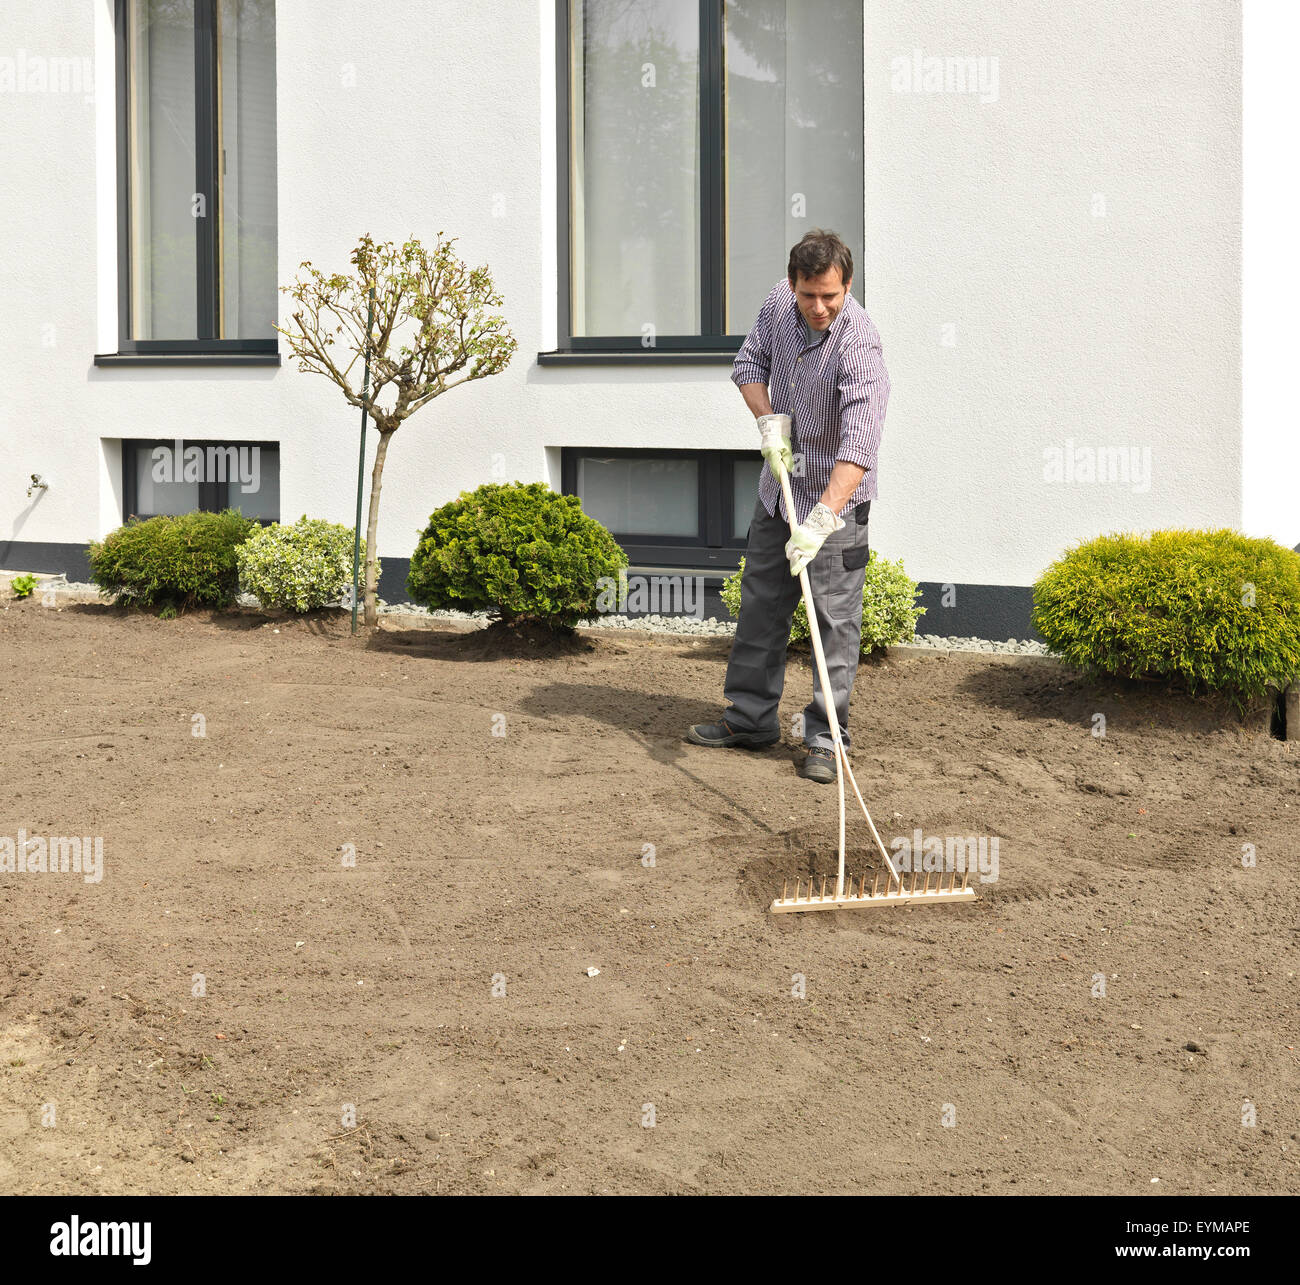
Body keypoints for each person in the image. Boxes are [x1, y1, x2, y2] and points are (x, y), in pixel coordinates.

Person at [687, 228, 890, 783]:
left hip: (835, 504)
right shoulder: (780, 302)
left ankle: (826, 738)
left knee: (833, 623)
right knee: (760, 610)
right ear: (795, 283)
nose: (818, 307)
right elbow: (748, 365)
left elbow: (859, 446)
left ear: (847, 285)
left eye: (830, 295)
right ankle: (749, 720)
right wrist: (768, 421)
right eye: (809, 295)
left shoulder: (860, 345)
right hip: (778, 491)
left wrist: (821, 521)